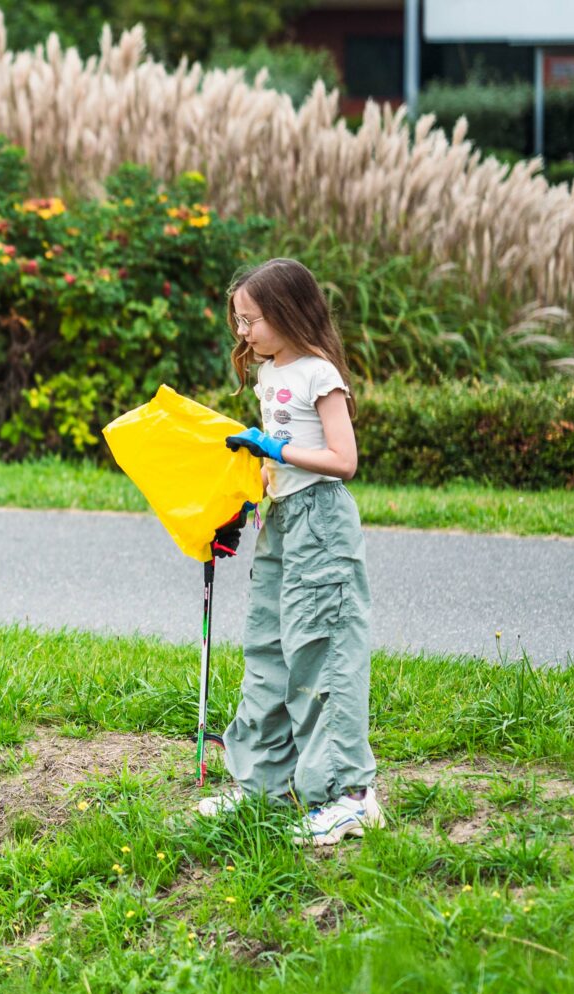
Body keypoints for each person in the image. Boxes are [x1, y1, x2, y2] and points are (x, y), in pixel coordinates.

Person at [199, 258, 383, 846]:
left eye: (251, 320)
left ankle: (348, 795)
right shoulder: (270, 373)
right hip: (278, 520)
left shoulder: (317, 373)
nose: (243, 333)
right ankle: (263, 783)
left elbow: (342, 461)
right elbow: (274, 461)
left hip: (320, 523)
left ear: (286, 313)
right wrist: (245, 501)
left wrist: (274, 448)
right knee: (269, 644)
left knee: (320, 648)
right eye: (238, 321)